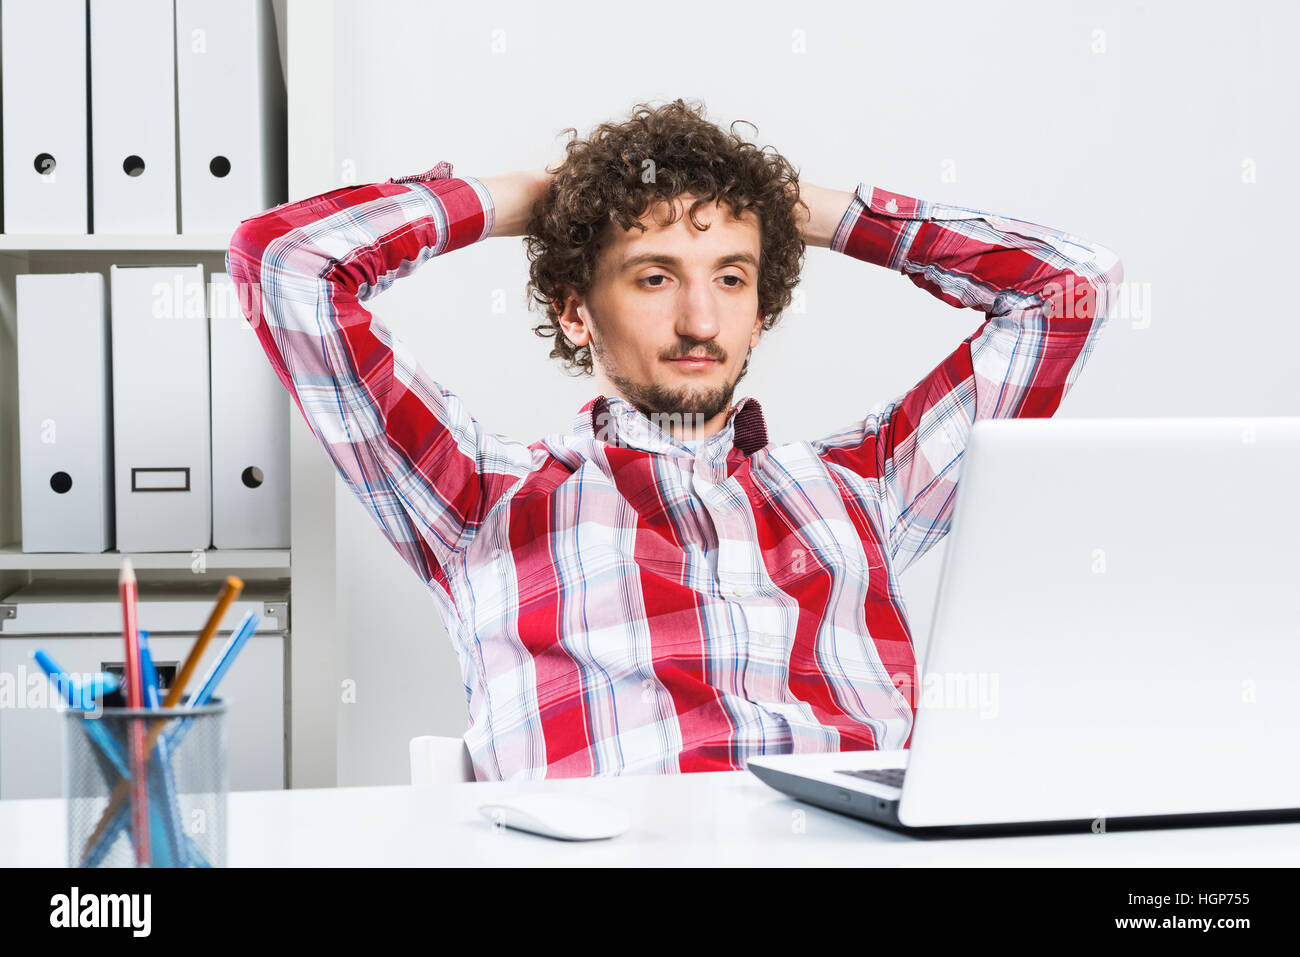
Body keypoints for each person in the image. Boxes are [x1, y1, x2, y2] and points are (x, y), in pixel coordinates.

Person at [226, 98, 1124, 781]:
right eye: (656, 276)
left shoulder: (865, 487)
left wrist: (781, 206)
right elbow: (286, 264)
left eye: (731, 277)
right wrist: (533, 200)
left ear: (762, 307)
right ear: (576, 311)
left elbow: (1068, 288)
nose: (701, 320)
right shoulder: (480, 497)